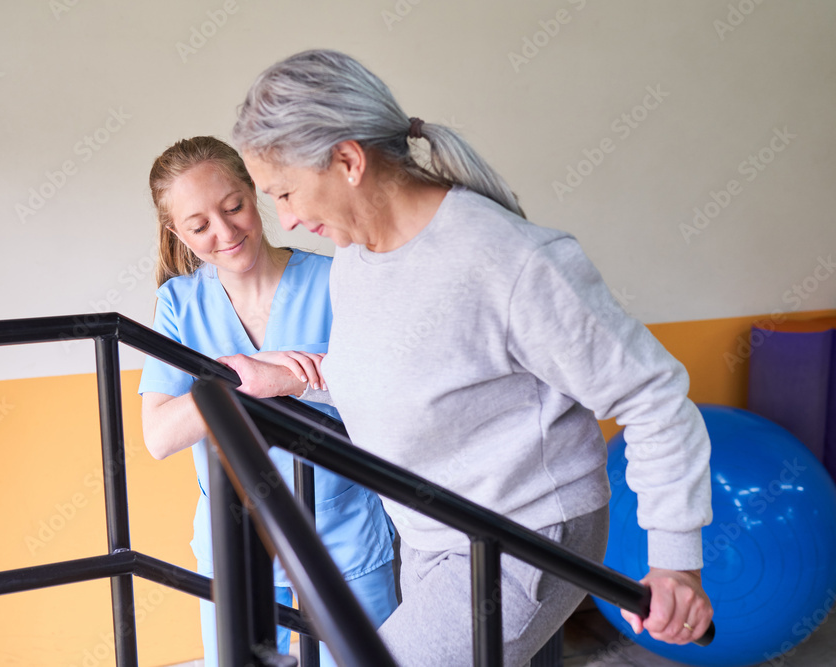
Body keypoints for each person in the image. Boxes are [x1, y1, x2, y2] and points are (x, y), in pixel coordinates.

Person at [228, 49, 715, 666]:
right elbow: (413, 373)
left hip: (525, 535)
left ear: (348, 160)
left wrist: (675, 562)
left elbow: (653, 396)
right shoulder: (358, 255)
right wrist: (295, 378)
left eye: (287, 193)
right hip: (432, 528)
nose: (289, 220)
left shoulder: (507, 262)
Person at [137, 136, 398, 666]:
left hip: (342, 528)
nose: (226, 232)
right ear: (175, 233)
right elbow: (160, 436)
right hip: (233, 539)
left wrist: (294, 380)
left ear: (254, 193)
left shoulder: (334, 280)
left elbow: (391, 399)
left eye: (233, 207)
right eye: (199, 225)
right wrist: (241, 379)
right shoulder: (180, 304)